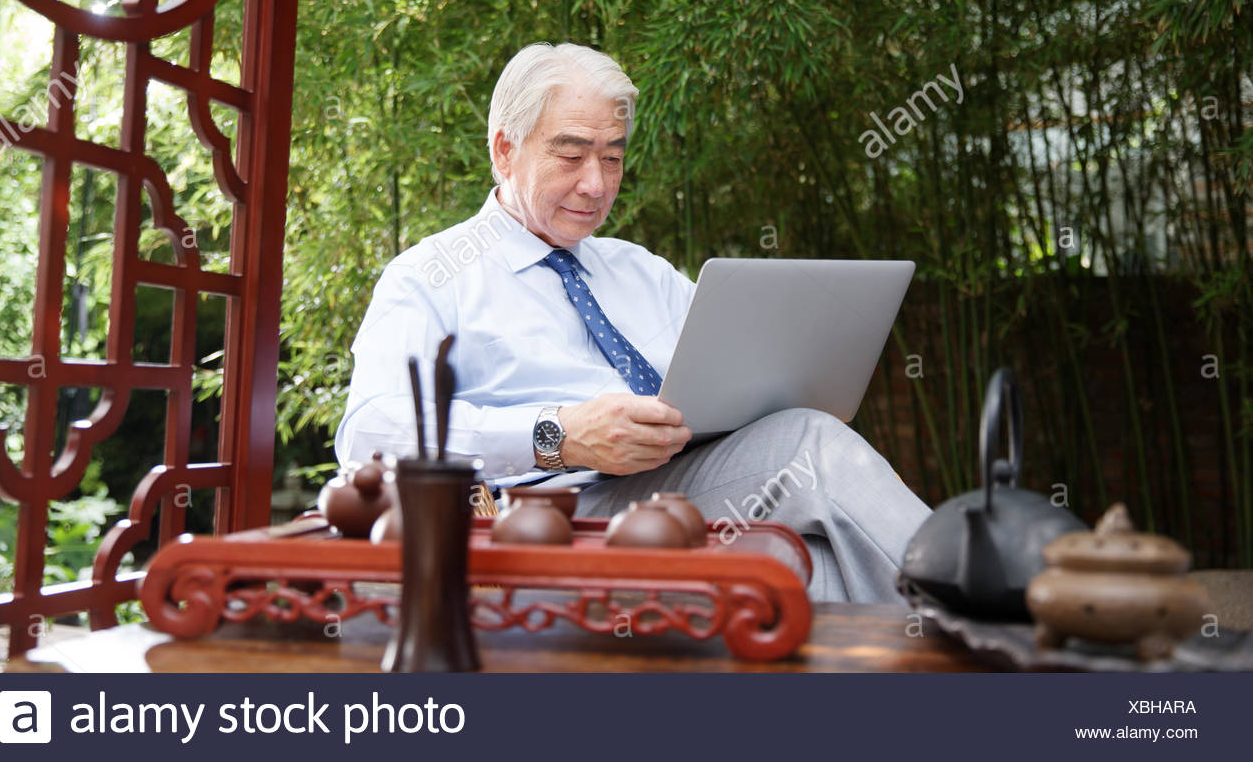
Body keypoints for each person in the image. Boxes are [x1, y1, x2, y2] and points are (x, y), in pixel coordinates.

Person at [336, 42, 931, 602]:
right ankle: (992, 611)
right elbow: (367, 435)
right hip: (543, 520)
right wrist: (557, 434)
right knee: (810, 448)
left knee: (825, 563)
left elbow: (734, 370)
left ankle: (969, 640)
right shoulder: (431, 276)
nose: (595, 184)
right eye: (570, 155)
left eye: (613, 157)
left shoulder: (640, 271)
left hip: (675, 495)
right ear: (504, 151)